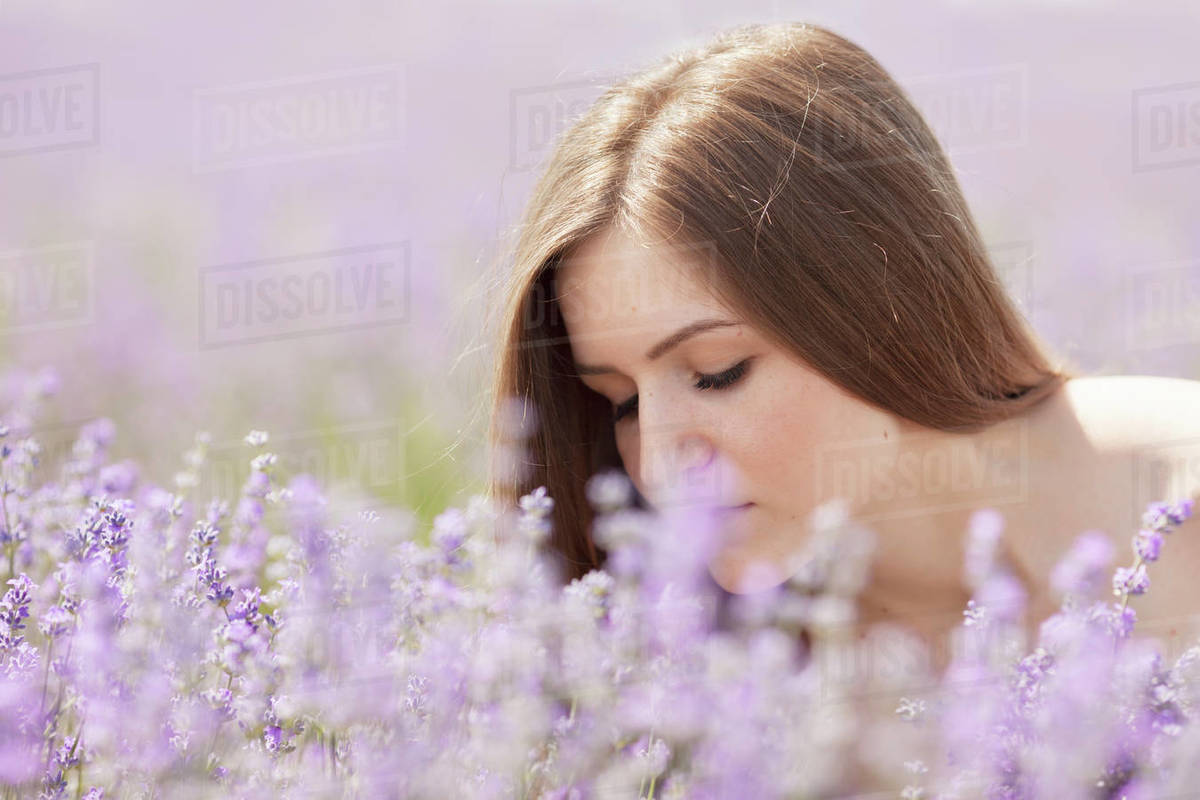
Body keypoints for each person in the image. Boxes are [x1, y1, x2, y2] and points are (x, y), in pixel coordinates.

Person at [485, 21, 1200, 659]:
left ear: (882, 298)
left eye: (718, 372)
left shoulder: (1183, 506)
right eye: (621, 403)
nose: (665, 468)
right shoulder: (700, 658)